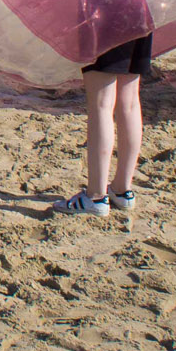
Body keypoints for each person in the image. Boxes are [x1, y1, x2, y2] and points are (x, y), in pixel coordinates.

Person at [51, 34, 149, 216]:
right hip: (141, 11)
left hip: (104, 15)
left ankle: (96, 196)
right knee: (130, 101)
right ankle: (122, 190)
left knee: (101, 104)